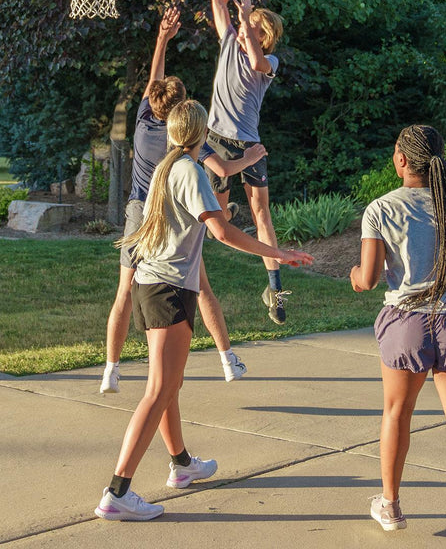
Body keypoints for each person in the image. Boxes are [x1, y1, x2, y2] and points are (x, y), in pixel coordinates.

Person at [94, 99, 313, 521]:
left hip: (154, 285)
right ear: (202, 134)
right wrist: (276, 253)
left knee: (168, 385)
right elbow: (222, 232)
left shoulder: (167, 167)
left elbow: (196, 219)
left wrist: (218, 211)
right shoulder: (190, 170)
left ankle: (181, 465)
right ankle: (117, 491)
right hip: (168, 290)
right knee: (159, 391)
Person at [350, 124, 446, 549]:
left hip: (406, 324)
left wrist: (353, 277)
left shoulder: (380, 210)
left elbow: (366, 278)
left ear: (401, 160)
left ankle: (391, 506)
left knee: (397, 414)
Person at [101, 5, 267, 394]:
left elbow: (153, 82)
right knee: (203, 288)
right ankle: (228, 362)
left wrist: (162, 39)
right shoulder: (186, 140)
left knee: (124, 293)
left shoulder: (143, 122)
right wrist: (252, 156)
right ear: (180, 108)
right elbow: (225, 171)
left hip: (138, 213)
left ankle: (110, 370)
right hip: (171, 219)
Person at [207, 0, 288, 325]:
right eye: (243, 25)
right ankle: (228, 208)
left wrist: (246, 18)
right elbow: (216, 2)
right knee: (219, 223)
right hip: (215, 140)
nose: (242, 28)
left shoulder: (271, 63)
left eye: (251, 27)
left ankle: (275, 288)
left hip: (248, 143)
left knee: (262, 214)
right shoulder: (227, 41)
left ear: (264, 36)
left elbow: (256, 62)